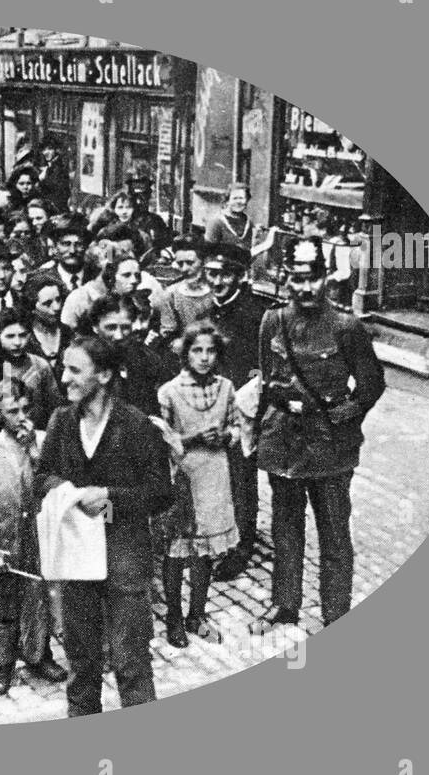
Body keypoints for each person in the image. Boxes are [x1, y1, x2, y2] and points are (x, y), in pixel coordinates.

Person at [250, 237, 385, 634]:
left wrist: (349, 414)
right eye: (296, 279)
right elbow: (266, 380)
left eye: (312, 279)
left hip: (328, 447)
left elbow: (372, 383)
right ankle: (284, 604)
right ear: (286, 279)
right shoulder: (272, 322)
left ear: (326, 279)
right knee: (285, 527)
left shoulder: (347, 327)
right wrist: (259, 434)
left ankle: (335, 614)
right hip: (284, 444)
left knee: (333, 533)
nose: (304, 288)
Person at [35, 336, 174, 716]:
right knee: (81, 662)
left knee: (131, 662)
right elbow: (42, 475)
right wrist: (66, 490)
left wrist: (109, 496)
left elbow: (162, 492)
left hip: (124, 554)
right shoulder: (61, 421)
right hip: (78, 557)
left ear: (105, 374)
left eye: (75, 370)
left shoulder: (136, 425)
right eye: (64, 368)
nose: (64, 379)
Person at [0, 376, 66, 695]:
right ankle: (1, 666)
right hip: (5, 539)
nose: (22, 416)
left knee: (37, 600)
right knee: (3, 607)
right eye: (13, 411)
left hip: (38, 537)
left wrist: (36, 452)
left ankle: (39, 655)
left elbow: (54, 482)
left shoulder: (42, 440)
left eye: (26, 409)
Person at [156, 321, 240, 647]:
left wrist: (226, 436)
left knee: (204, 552)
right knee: (177, 552)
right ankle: (174, 618)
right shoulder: (169, 392)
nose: (204, 358)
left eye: (210, 351)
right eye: (197, 350)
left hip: (215, 476)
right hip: (182, 478)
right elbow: (161, 442)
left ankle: (197, 614)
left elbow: (237, 427)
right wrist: (190, 438)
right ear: (185, 353)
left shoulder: (227, 387)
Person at [200, 243, 269, 580]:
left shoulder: (256, 315)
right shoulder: (209, 313)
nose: (216, 281)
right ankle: (222, 537)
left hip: (242, 412)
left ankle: (241, 547)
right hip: (211, 408)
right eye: (211, 273)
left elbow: (263, 369)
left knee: (241, 478)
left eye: (224, 274)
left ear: (240, 276)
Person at [0, 308, 62, 433]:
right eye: (10, 336)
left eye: (23, 335)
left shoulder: (41, 366)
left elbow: (55, 408)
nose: (17, 342)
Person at [19, 273, 73, 388]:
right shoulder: (22, 339)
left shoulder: (69, 334)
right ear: (31, 307)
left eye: (58, 300)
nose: (57, 307)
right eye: (47, 303)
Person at [204, 182, 255, 250]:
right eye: (235, 198)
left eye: (242, 198)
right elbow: (208, 251)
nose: (238, 202)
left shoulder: (249, 223)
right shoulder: (216, 222)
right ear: (227, 201)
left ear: (247, 200)